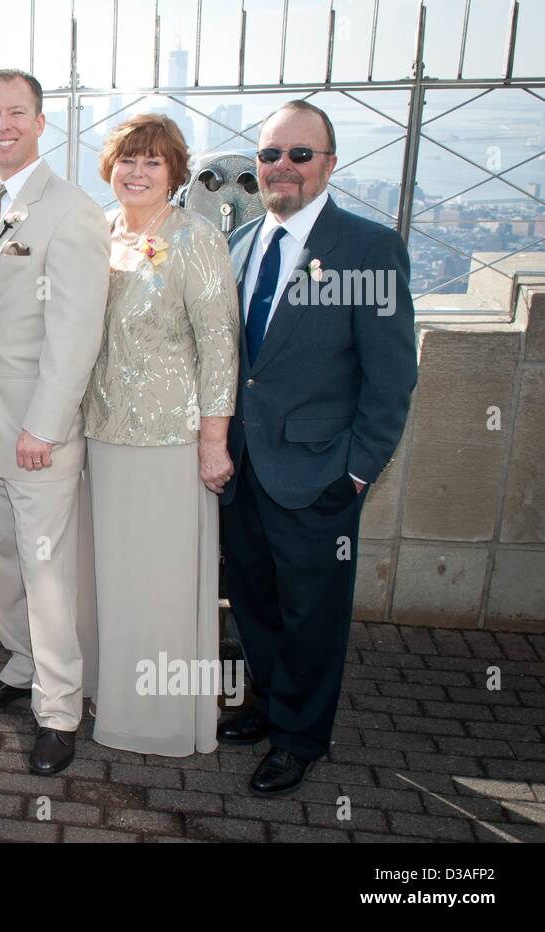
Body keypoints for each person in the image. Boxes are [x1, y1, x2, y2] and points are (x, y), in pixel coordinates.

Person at [218, 100, 417, 794]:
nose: (282, 167)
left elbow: (392, 376)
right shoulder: (240, 243)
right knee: (254, 602)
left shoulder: (368, 248)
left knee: (313, 614)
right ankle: (269, 707)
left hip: (319, 473)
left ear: (330, 164)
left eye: (300, 155)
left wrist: (358, 471)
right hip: (241, 470)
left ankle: (302, 738)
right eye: (270, 154)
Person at [0, 69, 111, 776]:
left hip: (35, 437)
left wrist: (44, 428)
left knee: (49, 574)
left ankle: (59, 710)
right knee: (2, 565)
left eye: (15, 113)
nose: (2, 126)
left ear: (41, 122)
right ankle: (20, 667)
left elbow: (76, 333)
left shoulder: (73, 210)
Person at [81, 114, 239, 757]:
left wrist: (213, 440)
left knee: (165, 584)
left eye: (152, 162)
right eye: (127, 159)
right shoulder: (97, 233)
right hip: (101, 437)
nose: (137, 172)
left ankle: (164, 718)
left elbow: (220, 345)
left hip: (172, 443)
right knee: (111, 580)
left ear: (175, 173)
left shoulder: (196, 238)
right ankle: (109, 695)